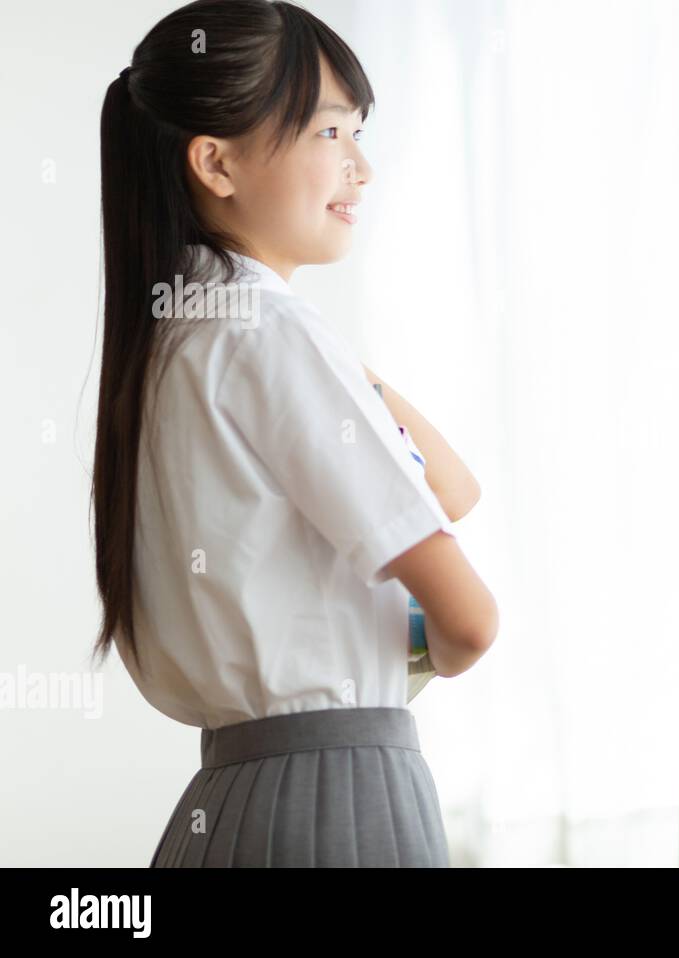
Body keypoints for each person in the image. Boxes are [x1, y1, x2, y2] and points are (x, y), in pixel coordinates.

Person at [89, 0, 499, 867]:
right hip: (342, 797)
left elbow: (453, 487)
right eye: (328, 133)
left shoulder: (175, 338)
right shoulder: (263, 332)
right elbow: (470, 619)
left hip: (229, 798)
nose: (361, 166)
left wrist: (347, 376)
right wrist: (433, 653)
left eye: (360, 132)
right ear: (216, 163)